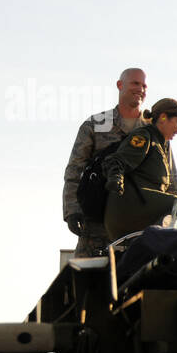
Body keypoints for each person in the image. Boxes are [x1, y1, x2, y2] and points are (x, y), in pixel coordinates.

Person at [63, 67, 149, 256]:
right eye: (135, 83)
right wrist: (72, 211)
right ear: (120, 85)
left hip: (140, 227)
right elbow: (75, 170)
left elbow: (168, 176)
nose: (141, 89)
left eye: (144, 85)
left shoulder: (152, 131)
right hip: (97, 226)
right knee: (87, 279)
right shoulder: (97, 124)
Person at [102, 97, 177, 242]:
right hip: (128, 208)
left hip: (145, 208)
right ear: (163, 117)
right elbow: (117, 160)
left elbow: (173, 189)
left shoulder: (164, 146)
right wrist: (115, 178)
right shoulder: (144, 136)